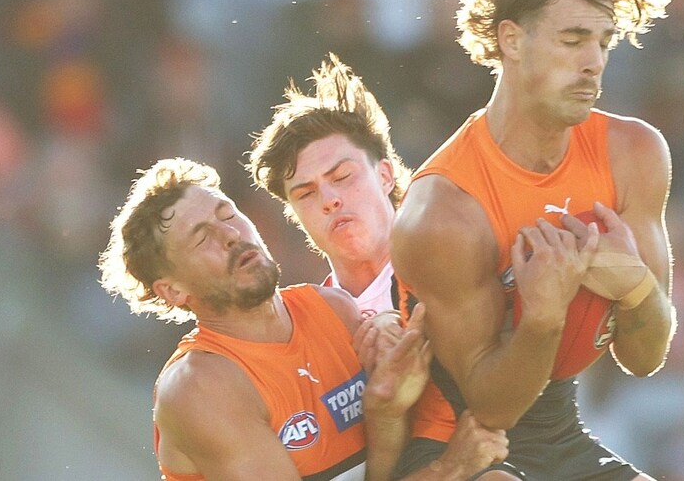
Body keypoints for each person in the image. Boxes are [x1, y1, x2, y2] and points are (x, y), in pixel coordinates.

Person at [389, 0, 677, 480]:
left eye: (604, 42)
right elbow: (490, 409)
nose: (594, 62)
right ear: (511, 41)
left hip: (559, 430)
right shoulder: (443, 211)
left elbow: (644, 359)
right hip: (457, 441)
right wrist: (541, 315)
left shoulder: (636, 153)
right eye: (573, 41)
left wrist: (637, 289)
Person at [97, 158, 495, 480]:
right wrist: (449, 470)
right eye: (202, 237)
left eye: (228, 213)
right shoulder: (199, 386)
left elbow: (385, 470)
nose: (231, 235)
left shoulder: (335, 310)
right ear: (173, 291)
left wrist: (388, 410)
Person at [248, 55, 516, 480]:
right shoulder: (310, 333)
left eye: (342, 176)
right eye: (305, 193)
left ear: (387, 175)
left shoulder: (459, 254)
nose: (329, 200)